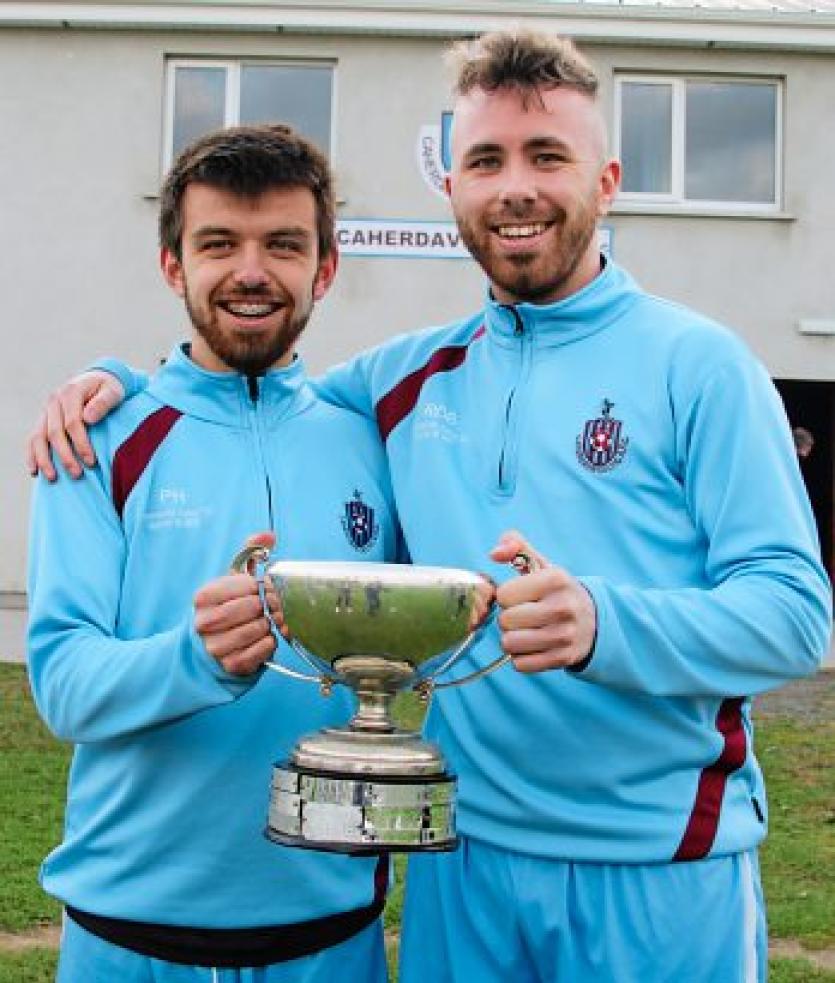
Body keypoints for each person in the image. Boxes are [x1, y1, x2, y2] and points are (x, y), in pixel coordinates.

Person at [27, 30, 833, 983]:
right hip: (464, 858)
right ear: (452, 187)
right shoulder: (400, 384)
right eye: (485, 160)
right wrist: (111, 381)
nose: (514, 188)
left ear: (607, 180)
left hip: (657, 862)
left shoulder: (702, 366)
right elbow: (249, 388)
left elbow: (795, 615)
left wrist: (602, 622)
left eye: (546, 156)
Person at [26, 124, 404, 982]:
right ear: (174, 266)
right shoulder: (96, 438)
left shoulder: (371, 439)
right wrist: (194, 659)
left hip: (330, 936)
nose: (250, 271)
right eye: (219, 243)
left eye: (283, 244)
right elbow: (64, 685)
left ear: (325, 268)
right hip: (129, 937)